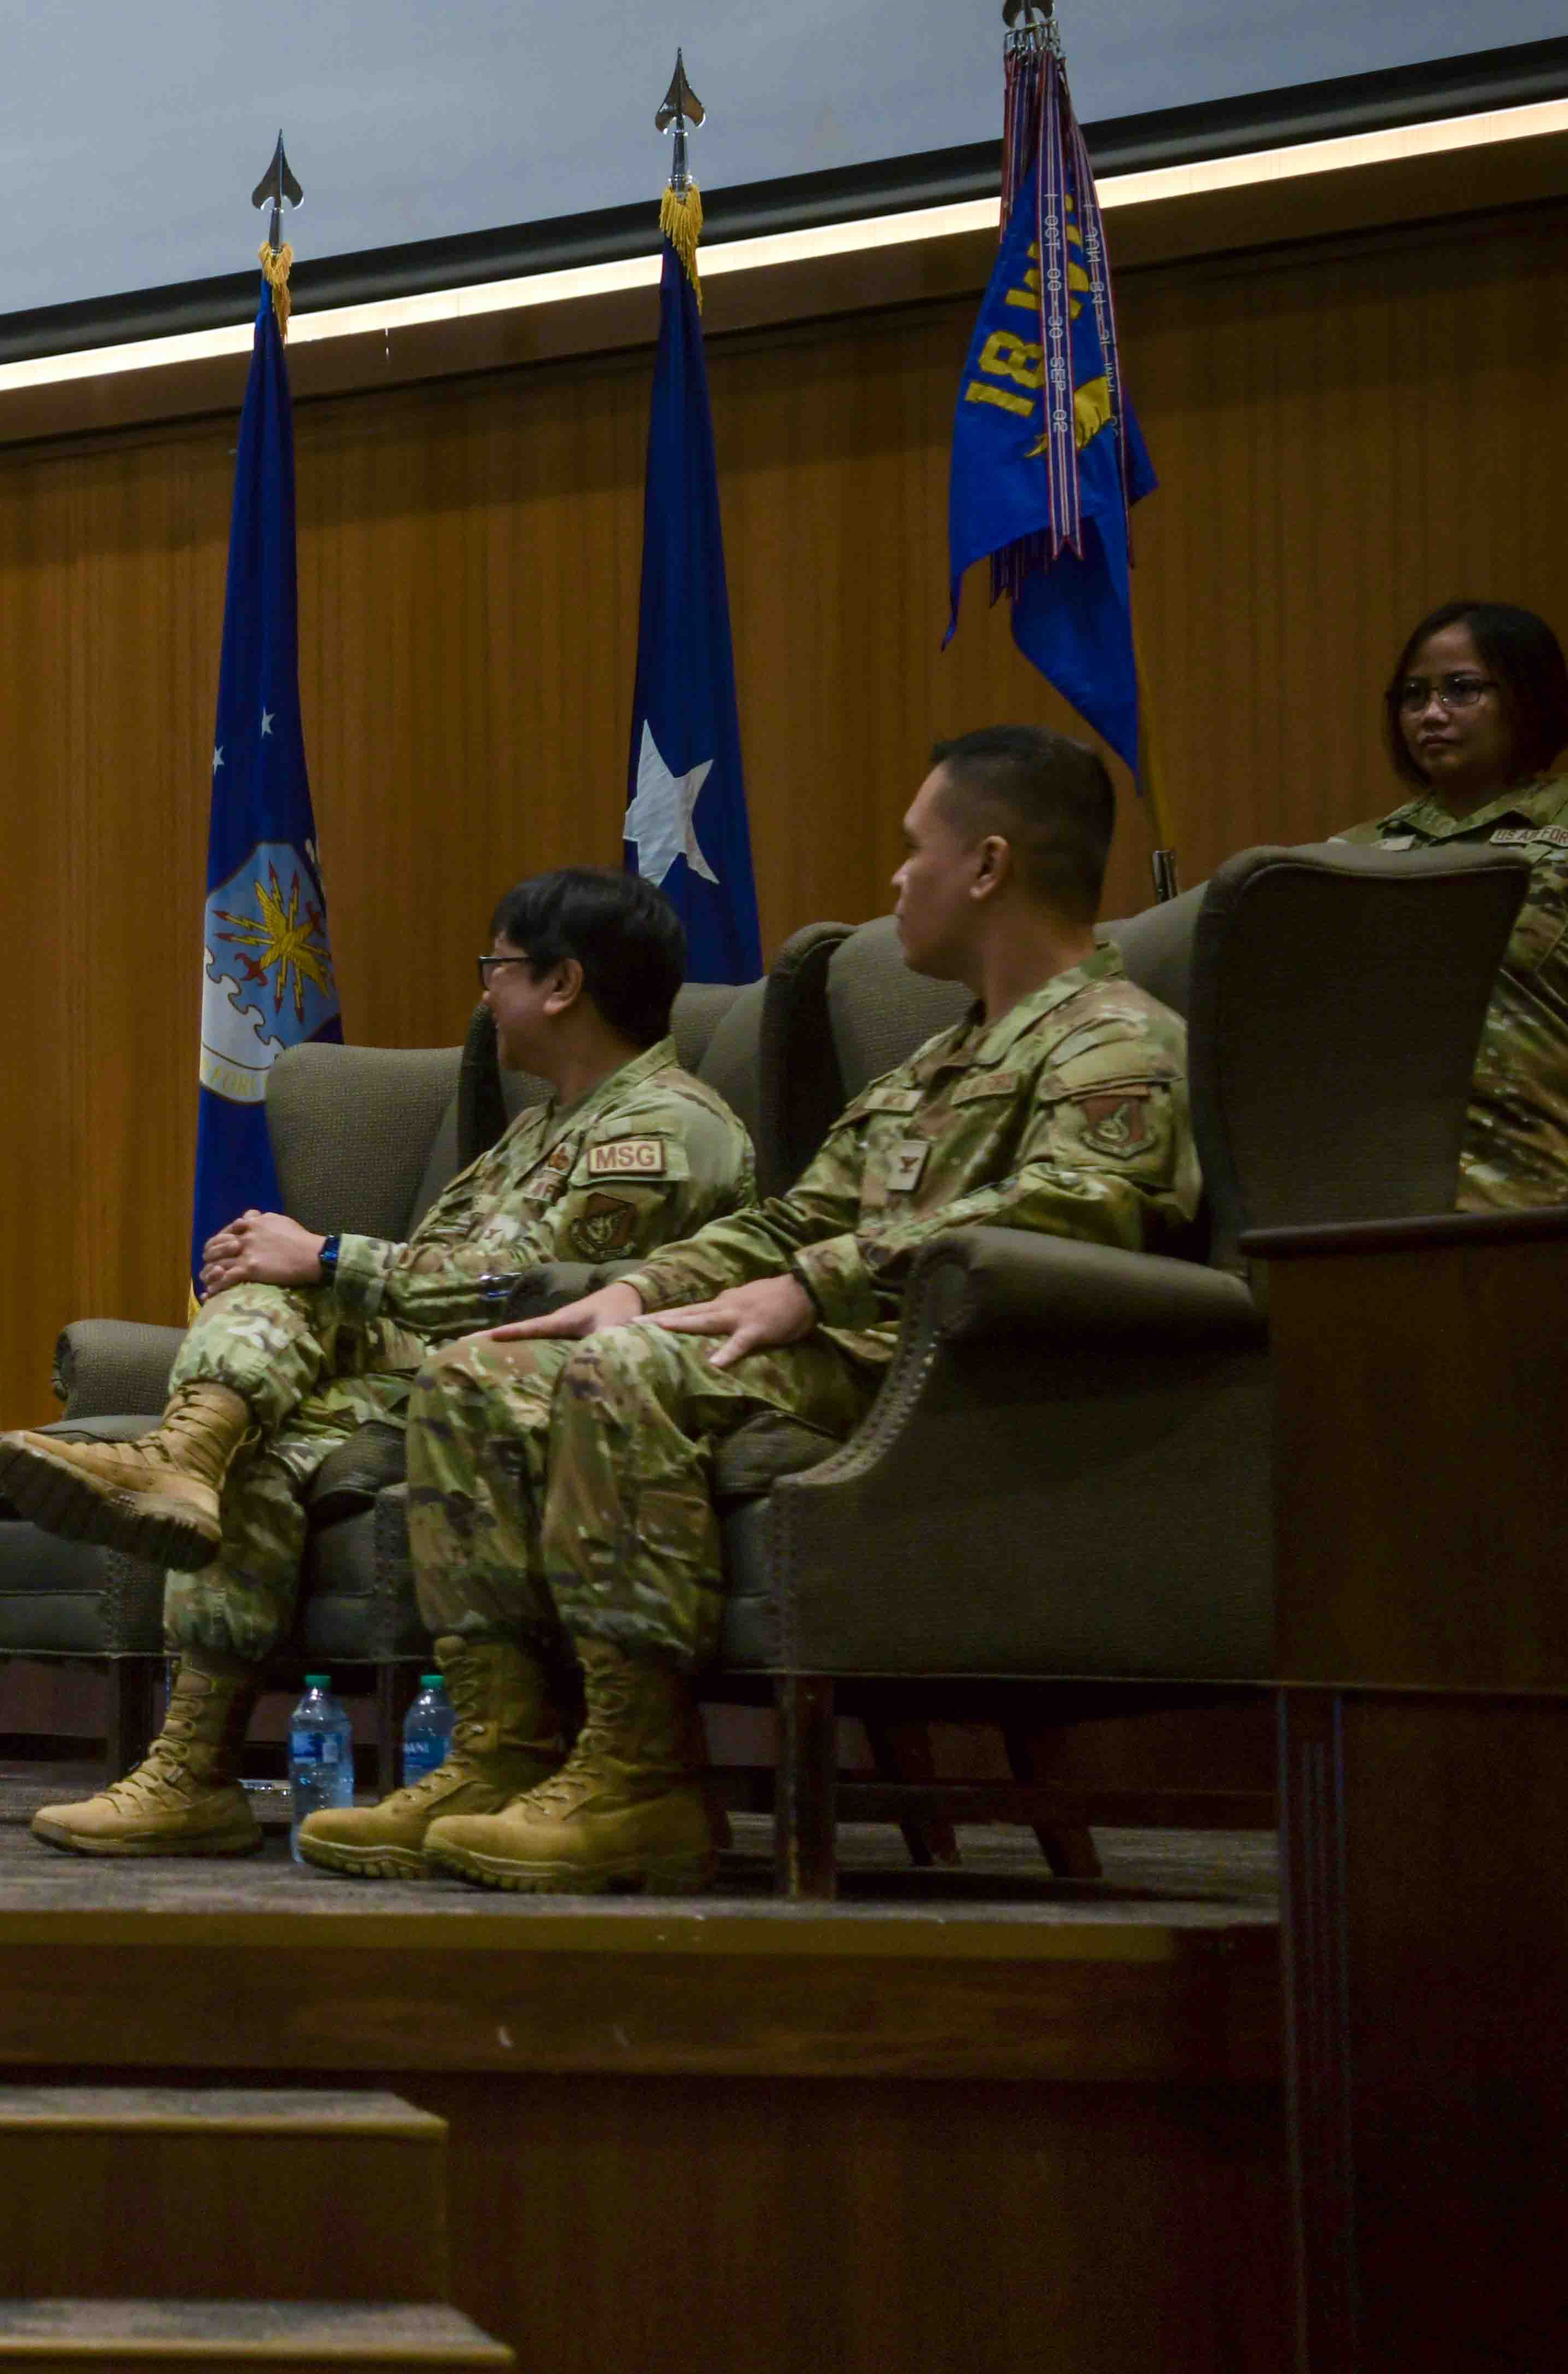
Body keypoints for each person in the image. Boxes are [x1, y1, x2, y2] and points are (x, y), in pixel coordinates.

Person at [316, 725, 1195, 1894]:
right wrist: (639, 1287)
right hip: (840, 1360)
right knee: (478, 1372)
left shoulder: (1117, 1038)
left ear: (988, 866)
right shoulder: (931, 1067)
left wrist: (821, 1281)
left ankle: (640, 1776)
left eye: (914, 850)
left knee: (622, 1371)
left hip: (956, 1390)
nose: (897, 880)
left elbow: (1082, 1206)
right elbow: (790, 1221)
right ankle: (500, 1753)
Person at [0, 866, 755, 1859]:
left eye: (497, 967)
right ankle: (190, 1703)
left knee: (295, 1287)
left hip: (546, 1385)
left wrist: (326, 1258)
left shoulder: (667, 1125)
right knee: (250, 1426)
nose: (485, 992)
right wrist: (303, 1267)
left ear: (563, 983)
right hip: (434, 1376)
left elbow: (546, 1291)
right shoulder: (534, 1130)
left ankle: (194, 1499)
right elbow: (439, 1271)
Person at [1337, 598, 1568, 1209]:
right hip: (1366, 1193)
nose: (1431, 714)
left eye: (1461, 690)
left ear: (1528, 697)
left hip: (1532, 1190)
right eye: (1414, 696)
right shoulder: (1347, 855)